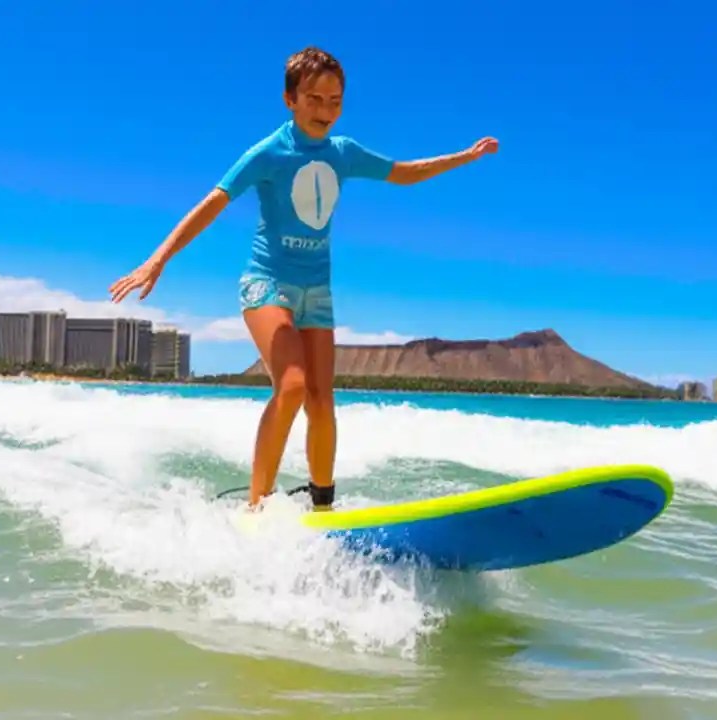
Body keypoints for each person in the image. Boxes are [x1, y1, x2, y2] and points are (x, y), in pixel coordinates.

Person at [108, 46, 498, 511]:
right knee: (291, 385)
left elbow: (403, 174)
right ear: (290, 99)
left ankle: (323, 507)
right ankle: (257, 505)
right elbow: (214, 202)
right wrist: (159, 260)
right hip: (266, 283)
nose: (325, 111)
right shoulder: (269, 152)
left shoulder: (343, 153)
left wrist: (465, 157)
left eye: (335, 100)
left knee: (321, 401)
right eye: (314, 99)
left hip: (317, 292)